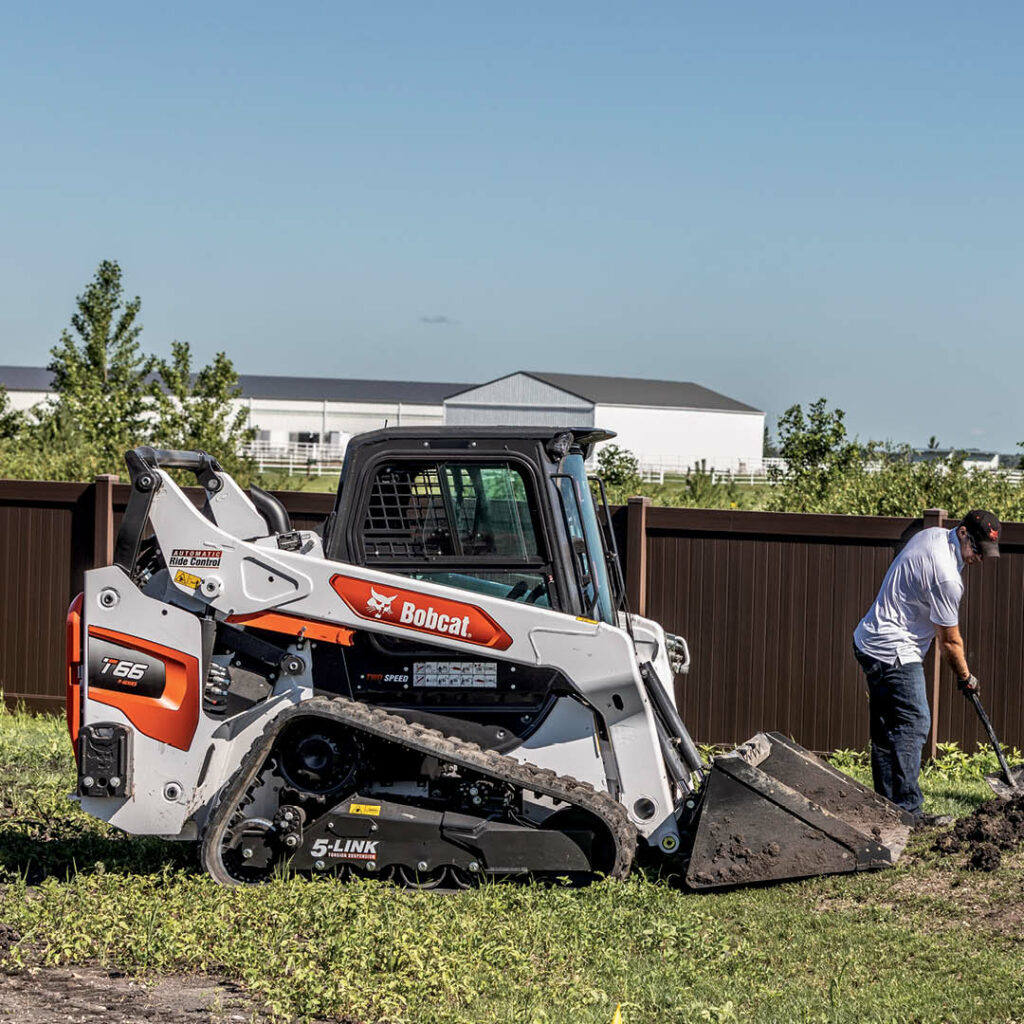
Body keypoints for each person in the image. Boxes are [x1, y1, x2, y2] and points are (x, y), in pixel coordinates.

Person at [852, 509, 1001, 819]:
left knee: (885, 728)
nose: (979, 558)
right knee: (914, 723)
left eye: (985, 553)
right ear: (962, 533)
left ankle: (885, 806)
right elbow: (949, 642)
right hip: (895, 651)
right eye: (977, 549)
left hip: (868, 640)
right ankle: (909, 811)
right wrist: (966, 677)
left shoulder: (930, 535)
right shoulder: (947, 575)